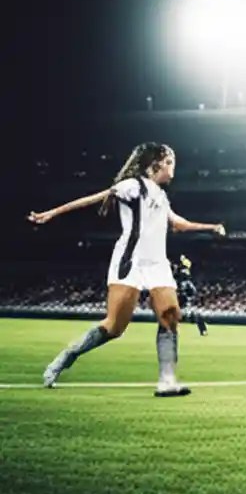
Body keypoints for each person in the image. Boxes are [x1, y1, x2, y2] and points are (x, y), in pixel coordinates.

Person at [28, 142, 225, 395]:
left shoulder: (161, 195)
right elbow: (97, 198)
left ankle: (167, 382)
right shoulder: (133, 186)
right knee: (114, 327)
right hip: (130, 261)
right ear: (158, 162)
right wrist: (51, 213)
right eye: (171, 162)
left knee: (170, 316)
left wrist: (211, 227)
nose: (173, 167)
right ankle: (67, 356)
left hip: (157, 263)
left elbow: (177, 224)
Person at [173, 254, 209, 336]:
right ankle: (203, 331)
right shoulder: (184, 280)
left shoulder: (182, 279)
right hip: (183, 300)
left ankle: (203, 330)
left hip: (184, 301)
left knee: (192, 315)